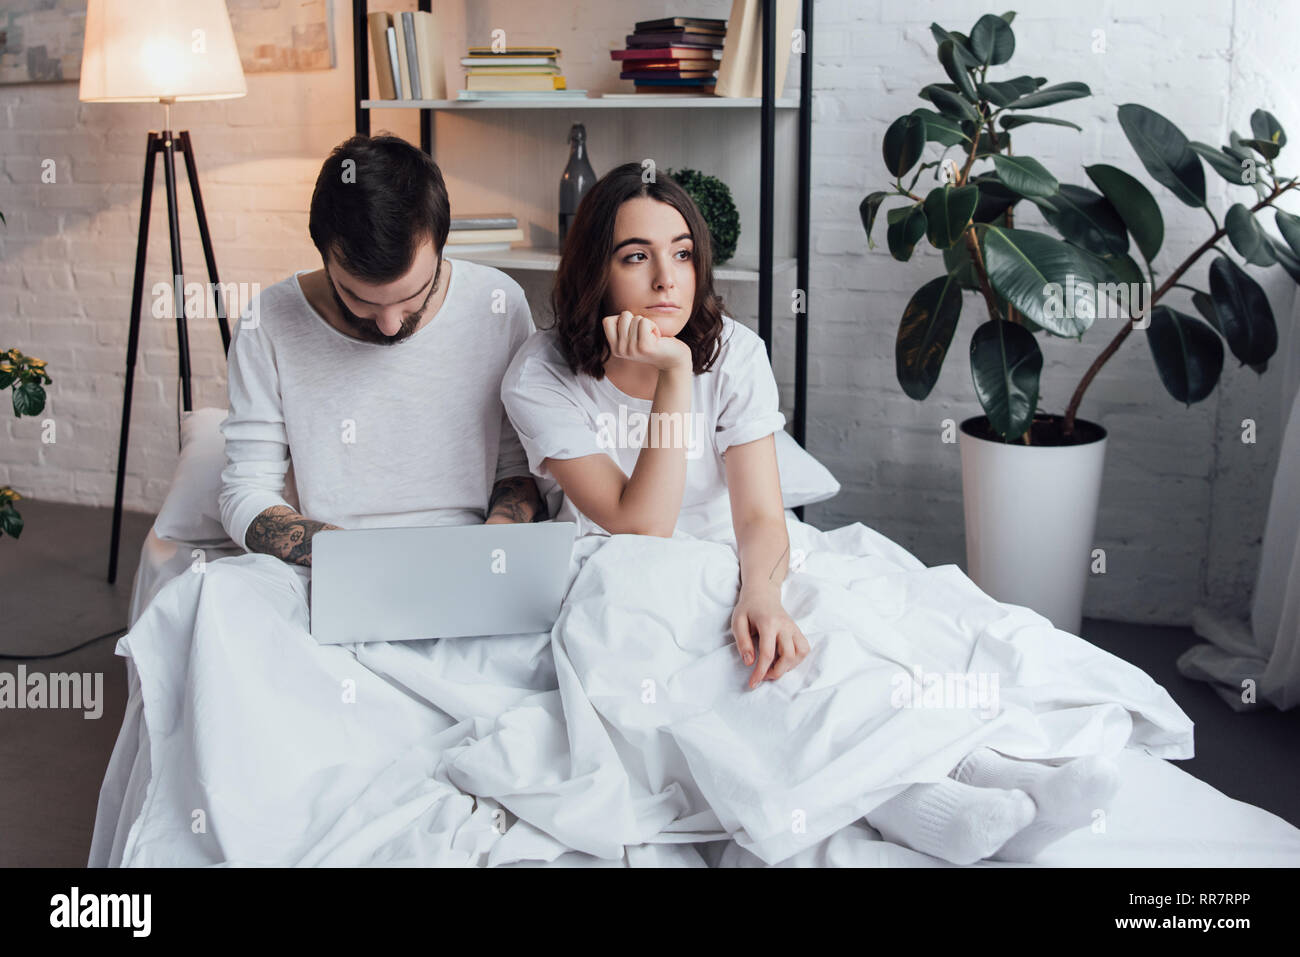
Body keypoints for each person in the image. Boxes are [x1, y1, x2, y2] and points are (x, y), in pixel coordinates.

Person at [499, 162, 1120, 865]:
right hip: (626, 578)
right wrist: (674, 376)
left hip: (739, 553)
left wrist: (761, 592)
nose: (668, 280)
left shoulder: (734, 352)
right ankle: (920, 804)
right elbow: (643, 525)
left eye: (681, 254)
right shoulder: (541, 375)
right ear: (594, 272)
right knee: (735, 686)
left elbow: (763, 513)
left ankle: (977, 770)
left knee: (823, 642)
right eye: (636, 257)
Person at [218, 133, 546, 563]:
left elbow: (518, 467)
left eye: (413, 296)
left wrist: (490, 549)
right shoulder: (270, 319)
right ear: (324, 257)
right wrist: (358, 558)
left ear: (442, 245)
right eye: (362, 299)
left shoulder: (496, 301)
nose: (391, 327)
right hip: (327, 561)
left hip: (468, 553)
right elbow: (246, 490)